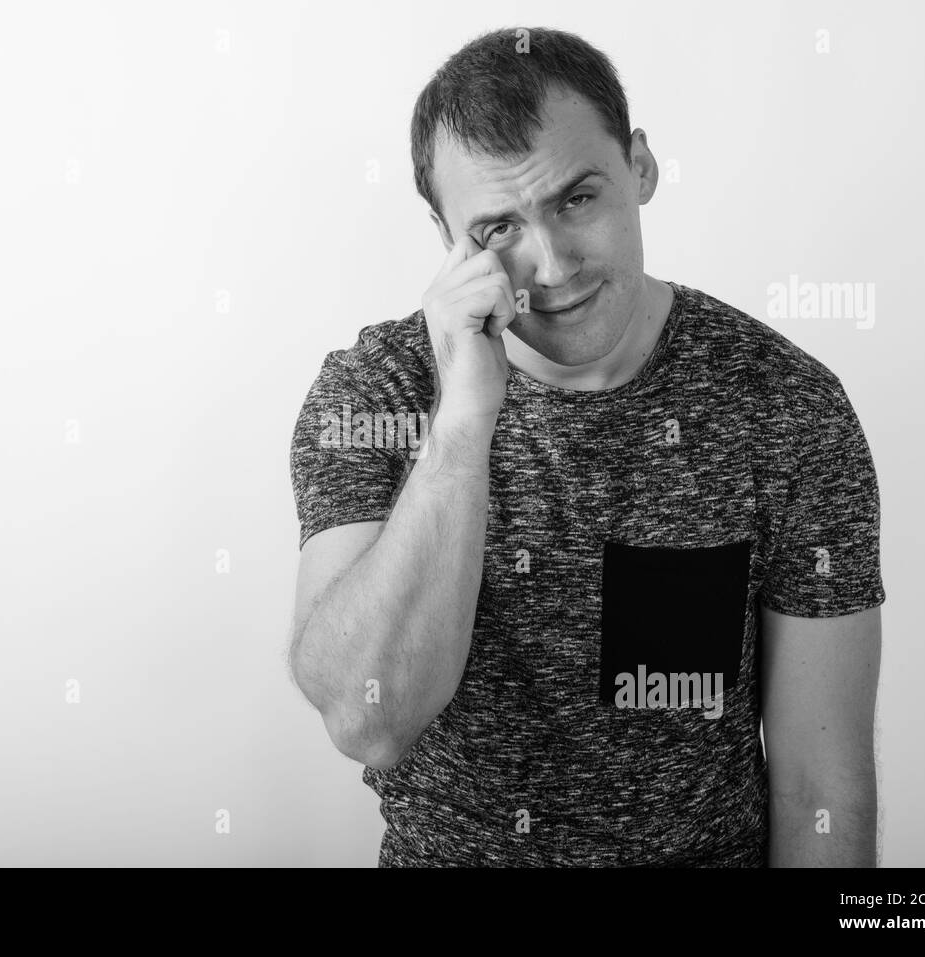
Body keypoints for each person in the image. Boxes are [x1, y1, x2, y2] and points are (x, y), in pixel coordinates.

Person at [287, 26, 884, 867]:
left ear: (639, 167)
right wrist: (462, 424)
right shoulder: (376, 395)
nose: (554, 264)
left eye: (576, 198)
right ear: (445, 233)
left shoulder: (788, 407)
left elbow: (821, 787)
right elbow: (366, 719)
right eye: (500, 227)